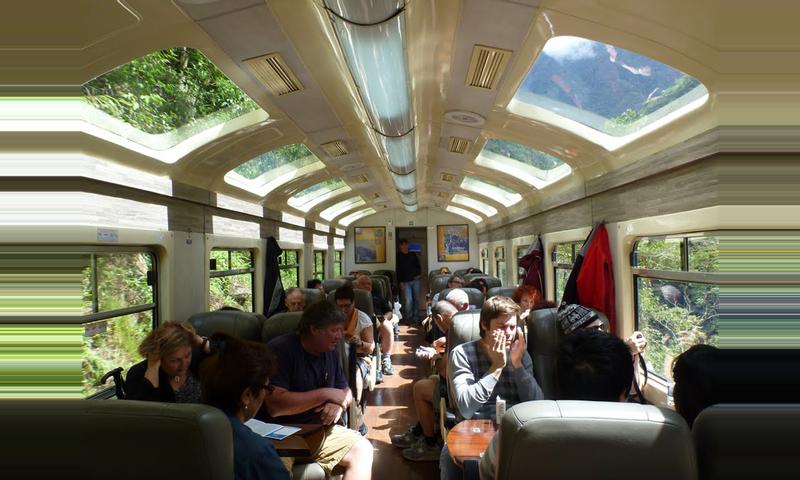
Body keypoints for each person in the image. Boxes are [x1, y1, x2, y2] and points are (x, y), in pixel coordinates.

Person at [479, 329, 634, 480]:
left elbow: (486, 473)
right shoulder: (646, 436)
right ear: (624, 392)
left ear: (558, 384)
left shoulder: (520, 429)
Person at [263, 301, 373, 479]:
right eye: (334, 330)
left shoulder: (330, 351)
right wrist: (326, 394)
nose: (340, 336)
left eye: (341, 329)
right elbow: (276, 406)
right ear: (314, 329)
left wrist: (339, 406)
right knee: (276, 470)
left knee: (363, 449)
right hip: (281, 434)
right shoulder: (281, 349)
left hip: (319, 431)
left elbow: (346, 391)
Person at [441, 296, 543, 479]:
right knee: (450, 460)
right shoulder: (462, 354)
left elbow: (537, 405)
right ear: (485, 326)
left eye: (512, 327)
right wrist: (496, 368)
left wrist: (518, 366)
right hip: (473, 428)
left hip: (513, 426)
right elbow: (465, 407)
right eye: (501, 327)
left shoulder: (520, 354)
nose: (509, 333)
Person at [199, 334, 289, 480]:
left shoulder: (182, 430)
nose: (265, 395)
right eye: (267, 388)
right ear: (247, 395)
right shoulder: (257, 451)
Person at [391, 301, 459, 461]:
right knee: (432, 378)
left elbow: (444, 369)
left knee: (420, 388)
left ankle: (430, 444)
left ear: (440, 318)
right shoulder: (469, 323)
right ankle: (419, 431)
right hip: (454, 381)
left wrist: (435, 357)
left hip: (457, 387)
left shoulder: (455, 331)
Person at [126, 321, 214, 403]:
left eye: (187, 356)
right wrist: (152, 368)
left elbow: (225, 358)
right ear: (159, 358)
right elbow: (145, 412)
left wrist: (201, 342)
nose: (184, 364)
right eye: (175, 360)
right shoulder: (138, 374)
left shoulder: (196, 358)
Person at [335, 284, 375, 409]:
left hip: (358, 357)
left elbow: (371, 348)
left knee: (355, 372)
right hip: (336, 356)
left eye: (347, 306)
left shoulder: (363, 319)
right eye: (340, 306)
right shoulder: (331, 319)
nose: (343, 310)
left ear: (354, 303)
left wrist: (361, 343)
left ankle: (355, 408)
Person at [356, 274, 395, 375]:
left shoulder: (378, 297)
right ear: (356, 286)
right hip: (358, 323)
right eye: (363, 284)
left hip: (376, 321)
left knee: (387, 325)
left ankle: (386, 358)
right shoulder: (353, 299)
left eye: (368, 284)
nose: (366, 286)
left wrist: (385, 318)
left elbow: (389, 312)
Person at [397, 238, 422, 324]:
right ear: (400, 246)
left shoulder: (413, 254)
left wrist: (419, 274)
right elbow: (398, 270)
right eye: (402, 245)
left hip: (415, 280)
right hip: (405, 282)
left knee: (416, 299)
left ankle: (416, 317)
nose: (404, 246)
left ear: (408, 245)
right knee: (409, 300)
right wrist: (400, 282)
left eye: (405, 244)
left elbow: (418, 265)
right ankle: (408, 317)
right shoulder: (398, 256)